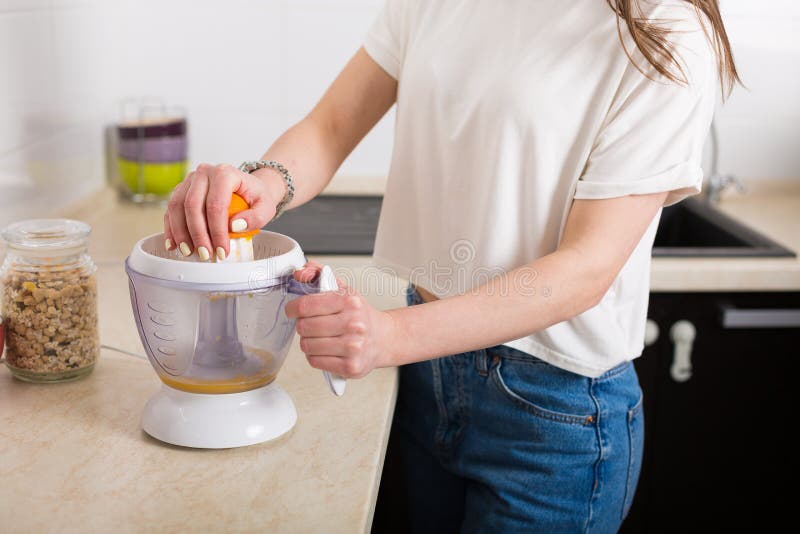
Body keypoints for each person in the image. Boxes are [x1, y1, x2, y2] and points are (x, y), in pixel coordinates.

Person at [163, 0, 739, 531]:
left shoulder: (668, 34)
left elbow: (586, 267)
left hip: (553, 420)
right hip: (425, 378)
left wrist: (389, 335)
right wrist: (265, 182)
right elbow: (332, 125)